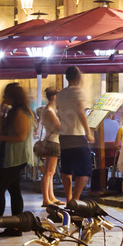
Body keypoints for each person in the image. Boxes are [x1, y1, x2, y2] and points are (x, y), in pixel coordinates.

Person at [0, 83, 35, 240]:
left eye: (6, 94)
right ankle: (16, 226)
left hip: (15, 157)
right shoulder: (14, 111)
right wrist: (1, 116)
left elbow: (20, 137)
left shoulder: (20, 112)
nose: (3, 97)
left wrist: (1, 138)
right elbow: (4, 131)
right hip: (10, 156)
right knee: (14, 190)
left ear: (12, 95)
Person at [57, 66, 95, 203]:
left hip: (64, 135)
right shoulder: (78, 92)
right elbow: (80, 111)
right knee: (85, 169)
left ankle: (68, 198)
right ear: (78, 77)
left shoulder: (60, 94)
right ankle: (76, 198)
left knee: (66, 168)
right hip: (77, 135)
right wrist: (88, 131)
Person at [38, 87, 62, 207]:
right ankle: (46, 198)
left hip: (53, 141)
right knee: (48, 172)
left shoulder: (51, 110)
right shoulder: (49, 111)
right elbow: (58, 127)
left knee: (51, 172)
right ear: (54, 97)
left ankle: (51, 196)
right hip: (52, 141)